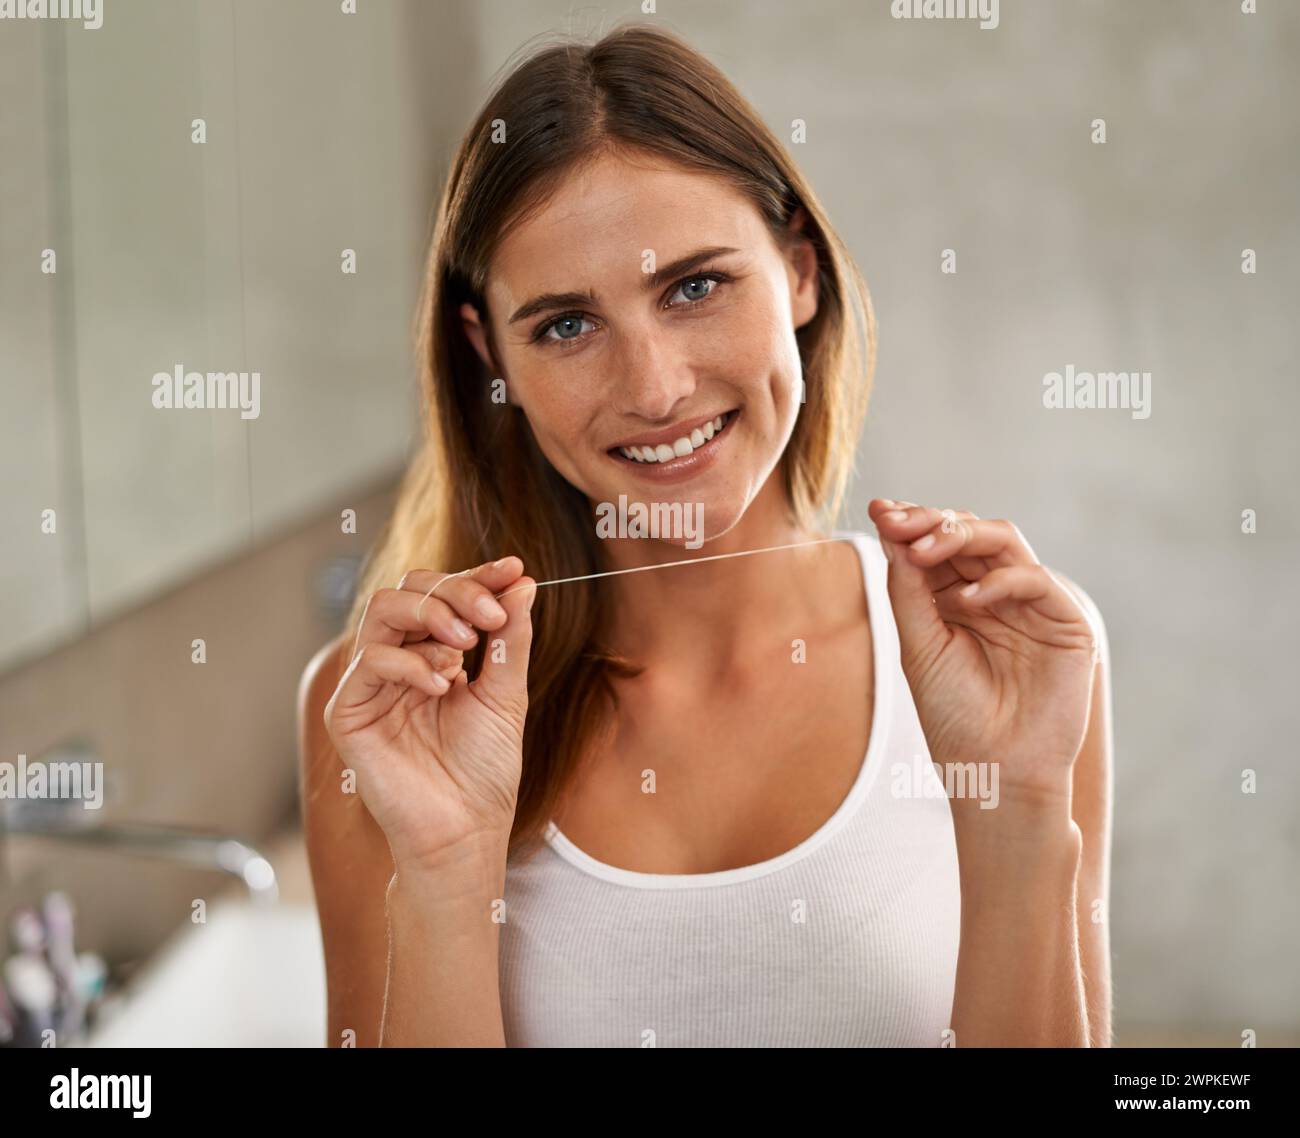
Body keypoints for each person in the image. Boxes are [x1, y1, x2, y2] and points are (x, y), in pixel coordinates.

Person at [297, 23, 1113, 1048]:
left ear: (800, 272)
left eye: (694, 286)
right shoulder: (390, 713)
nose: (654, 388)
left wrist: (1020, 812)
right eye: (565, 325)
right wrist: (444, 871)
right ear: (489, 354)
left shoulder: (1011, 658)